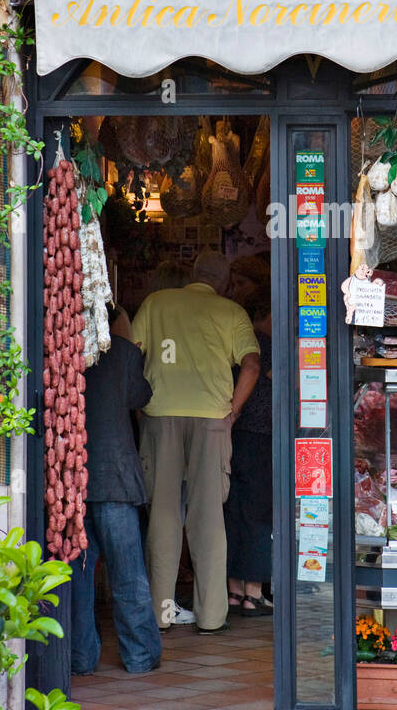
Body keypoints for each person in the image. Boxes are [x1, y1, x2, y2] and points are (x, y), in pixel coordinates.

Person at [133, 250, 261, 634]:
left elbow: (129, 352)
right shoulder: (231, 312)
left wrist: (139, 405)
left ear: (192, 274)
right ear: (223, 283)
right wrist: (233, 412)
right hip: (211, 420)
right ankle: (211, 617)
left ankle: (162, 613)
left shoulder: (156, 303)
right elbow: (252, 365)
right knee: (208, 520)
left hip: (160, 417)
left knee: (164, 518)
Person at [70, 306, 163, 676]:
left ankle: (80, 658)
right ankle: (140, 655)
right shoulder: (124, 353)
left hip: (73, 478)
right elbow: (140, 397)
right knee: (128, 574)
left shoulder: (64, 351)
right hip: (116, 479)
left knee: (77, 576)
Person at [226, 289, 273, 615]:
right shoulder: (264, 344)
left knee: (231, 512)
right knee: (258, 515)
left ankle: (232, 590)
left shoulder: (234, 343)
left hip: (233, 437)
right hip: (261, 438)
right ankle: (253, 593)